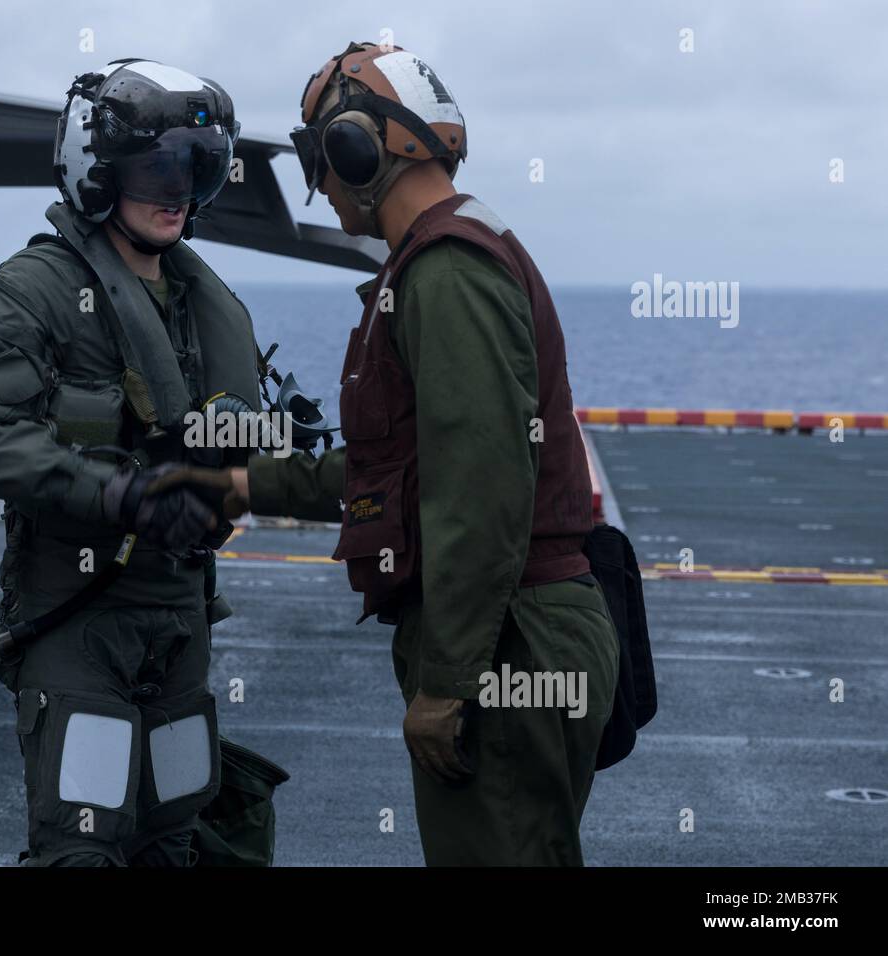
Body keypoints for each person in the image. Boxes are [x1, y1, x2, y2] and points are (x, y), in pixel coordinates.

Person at [225, 42, 619, 866]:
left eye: (317, 157)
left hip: (509, 641)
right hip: (515, 634)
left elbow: (479, 489)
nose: (318, 185)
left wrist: (448, 681)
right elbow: (408, 470)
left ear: (359, 148)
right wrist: (243, 478)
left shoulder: (444, 270)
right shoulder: (447, 255)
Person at [0, 59, 260, 866]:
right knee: (83, 847)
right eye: (156, 167)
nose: (177, 189)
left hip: (182, 619)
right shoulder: (33, 291)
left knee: (173, 843)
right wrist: (121, 494)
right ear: (96, 172)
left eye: (196, 168)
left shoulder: (201, 303)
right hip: (78, 616)